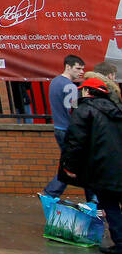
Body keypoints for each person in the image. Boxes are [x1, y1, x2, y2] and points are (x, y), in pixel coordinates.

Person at [61, 71, 122, 254]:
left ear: (88, 91)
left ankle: (120, 243)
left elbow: (75, 142)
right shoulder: (117, 111)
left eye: (83, 90)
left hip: (101, 169)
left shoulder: (84, 110)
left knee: (110, 207)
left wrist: (69, 167)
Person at [44, 55, 86, 198]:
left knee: (70, 163)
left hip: (58, 128)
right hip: (68, 130)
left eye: (83, 69)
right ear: (68, 67)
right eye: (78, 68)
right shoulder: (70, 86)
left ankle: (51, 192)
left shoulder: (55, 82)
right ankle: (51, 192)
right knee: (76, 164)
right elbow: (72, 111)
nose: (81, 72)